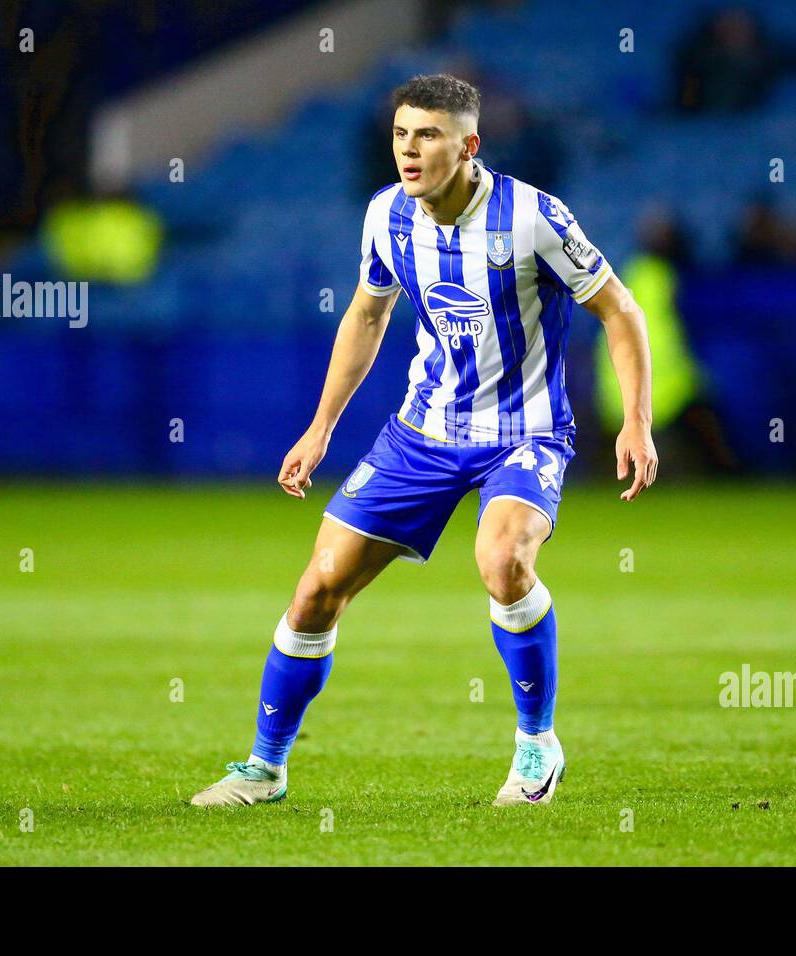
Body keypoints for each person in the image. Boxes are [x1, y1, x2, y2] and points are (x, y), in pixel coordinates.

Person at [190, 74, 657, 808]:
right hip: (424, 431)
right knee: (317, 590)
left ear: (469, 146)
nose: (410, 149)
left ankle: (537, 746)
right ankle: (265, 767)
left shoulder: (534, 217)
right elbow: (367, 317)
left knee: (503, 561)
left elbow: (620, 311)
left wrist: (635, 419)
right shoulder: (385, 216)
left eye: (428, 135)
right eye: (402, 134)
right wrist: (320, 429)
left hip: (524, 429)